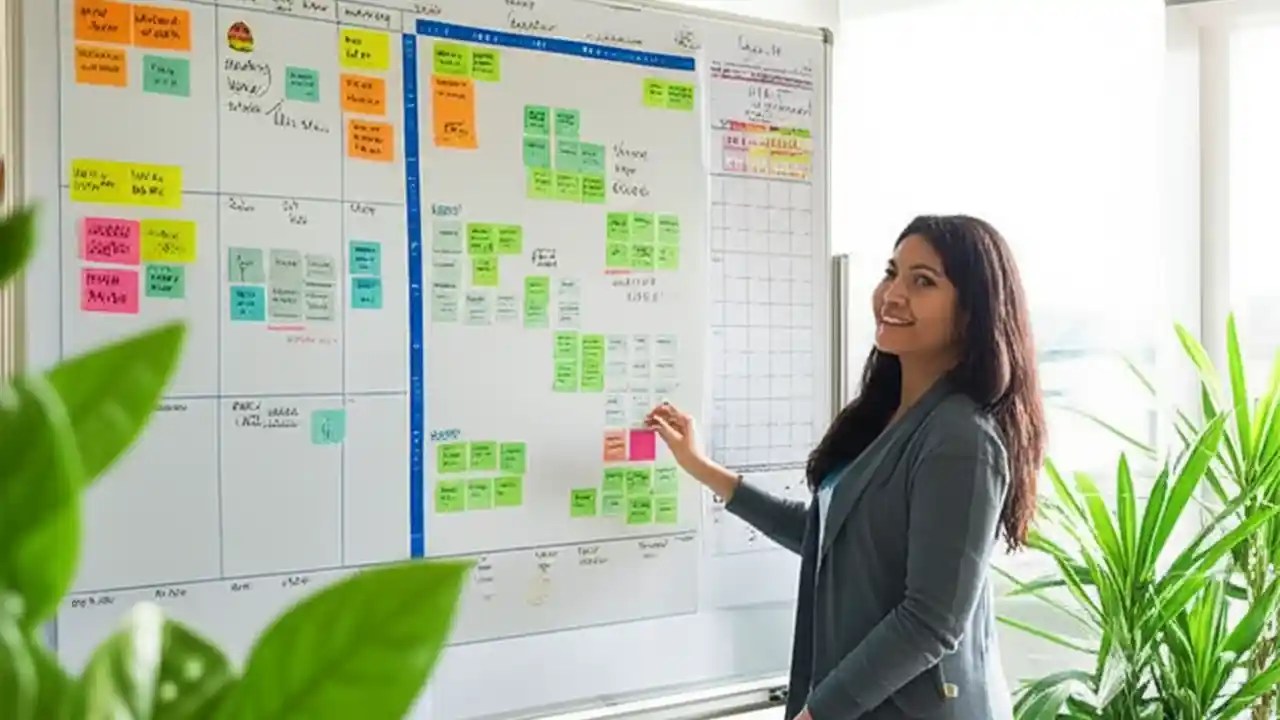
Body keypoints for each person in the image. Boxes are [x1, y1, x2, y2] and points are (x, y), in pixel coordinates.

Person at [646, 215, 1044, 720]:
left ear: (973, 312)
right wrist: (703, 469)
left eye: (923, 281)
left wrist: (821, 711)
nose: (892, 294)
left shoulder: (960, 438)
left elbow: (933, 620)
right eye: (891, 272)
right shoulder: (890, 418)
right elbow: (827, 533)